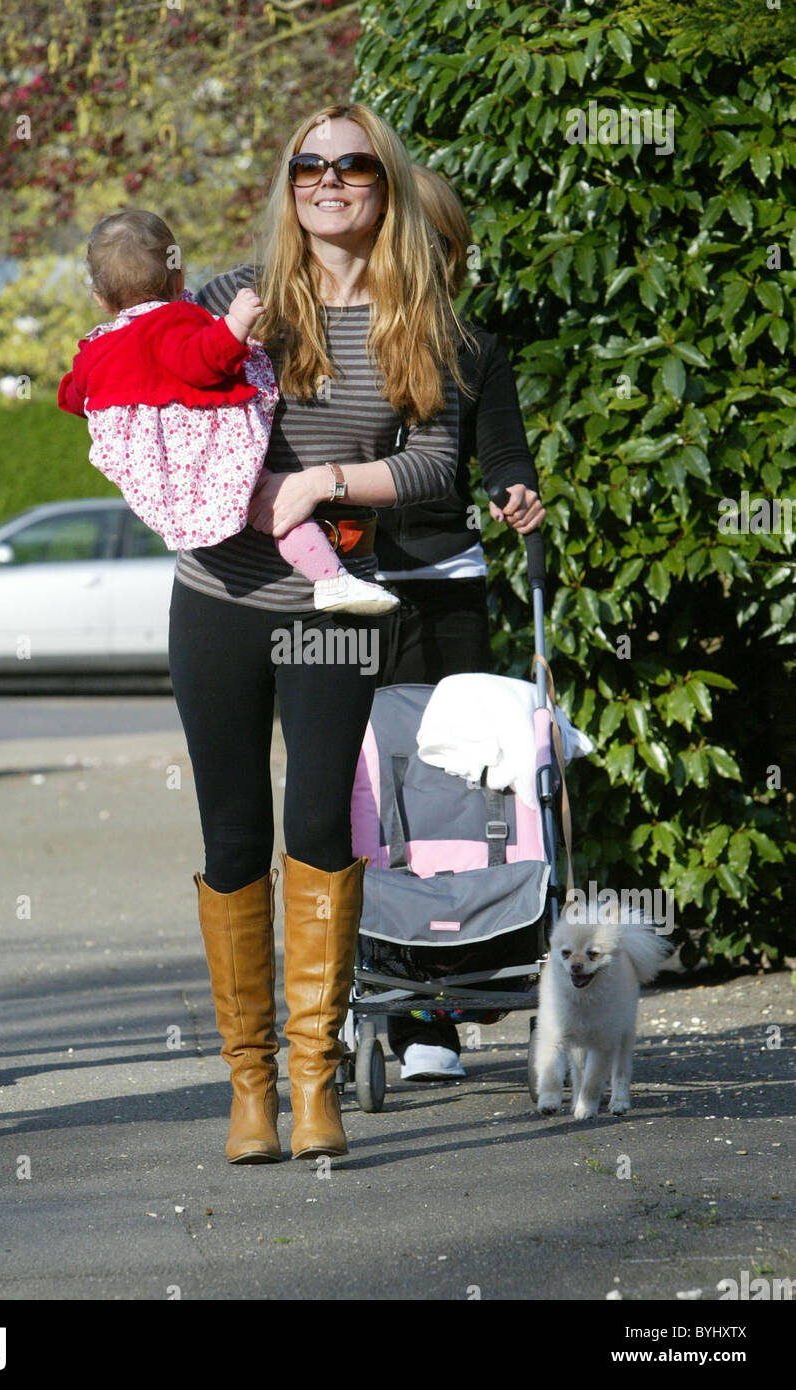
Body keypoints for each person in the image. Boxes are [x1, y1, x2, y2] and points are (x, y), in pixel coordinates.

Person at [171, 103, 461, 1162]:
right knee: (230, 833)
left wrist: (322, 483)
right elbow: (156, 405)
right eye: (308, 163)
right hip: (216, 599)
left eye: (350, 164)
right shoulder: (232, 302)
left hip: (335, 602)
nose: (328, 180)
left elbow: (433, 465)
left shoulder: (410, 317)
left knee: (318, 829)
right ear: (287, 181)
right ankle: (250, 1088)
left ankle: (315, 1077)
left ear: (382, 183)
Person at [368, 164, 545, 1081]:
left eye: (439, 247)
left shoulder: (476, 350)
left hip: (446, 586)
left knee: (449, 796)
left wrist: (516, 490)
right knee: (367, 794)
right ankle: (369, 995)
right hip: (349, 591)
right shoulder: (341, 336)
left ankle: (436, 1007)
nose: (423, 262)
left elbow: (502, 451)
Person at [59, 211, 398, 616]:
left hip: (167, 469)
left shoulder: (99, 347)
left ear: (100, 298)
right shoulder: (176, 320)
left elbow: (75, 396)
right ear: (179, 277)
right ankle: (329, 580)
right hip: (206, 453)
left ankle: (321, 580)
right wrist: (235, 323)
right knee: (271, 503)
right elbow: (201, 360)